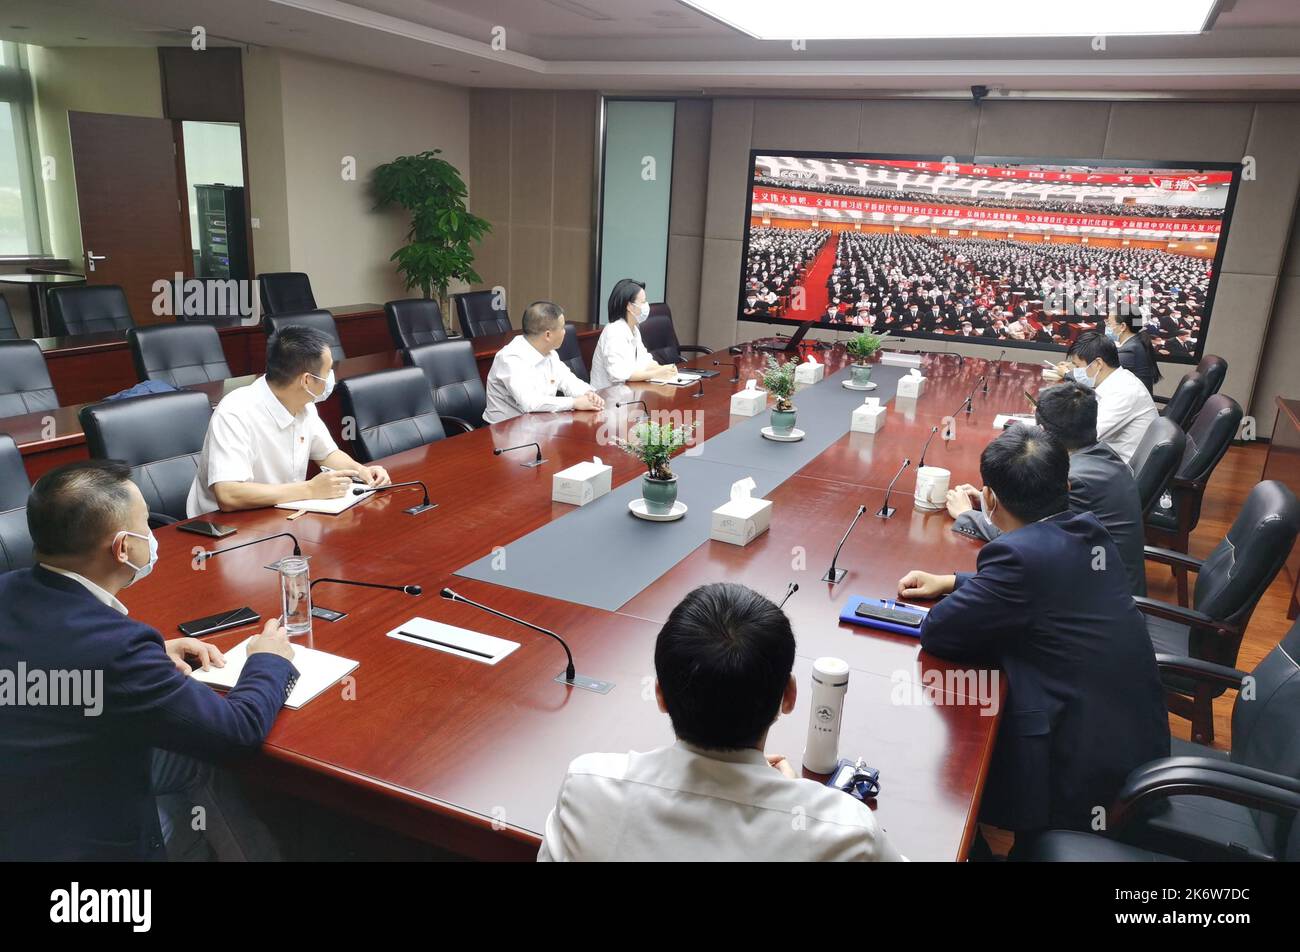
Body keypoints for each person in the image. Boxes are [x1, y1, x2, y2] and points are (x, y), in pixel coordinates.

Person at [0, 461, 299, 860]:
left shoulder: (8, 589)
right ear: (123, 548)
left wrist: (153, 656)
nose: (153, 535)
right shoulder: (118, 649)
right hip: (78, 838)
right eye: (146, 525)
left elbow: (54, 657)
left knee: (189, 756)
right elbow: (237, 734)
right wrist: (267, 661)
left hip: (23, 785)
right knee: (203, 752)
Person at [897, 426, 1169, 854]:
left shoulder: (1019, 557)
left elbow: (940, 632)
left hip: (1083, 771)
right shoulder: (1088, 530)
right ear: (1066, 486)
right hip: (1131, 743)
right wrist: (953, 580)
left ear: (988, 500)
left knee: (940, 778)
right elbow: (1045, 586)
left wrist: (964, 591)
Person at [538, 583, 905, 862]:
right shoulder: (847, 833)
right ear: (789, 697)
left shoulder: (586, 789)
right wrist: (798, 801)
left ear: (661, 695)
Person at [947, 380, 1148, 596]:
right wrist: (993, 502)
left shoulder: (1073, 479)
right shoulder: (1101, 454)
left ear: (1042, 433)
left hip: (1098, 596)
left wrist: (966, 514)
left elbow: (1027, 539)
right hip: (1094, 577)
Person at [187, 325, 391, 517]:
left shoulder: (304, 403)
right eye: (328, 370)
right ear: (306, 380)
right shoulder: (235, 412)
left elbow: (327, 453)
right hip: (222, 525)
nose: (332, 377)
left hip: (278, 513)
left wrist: (362, 471)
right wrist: (310, 489)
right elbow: (228, 494)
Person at [482, 301, 605, 424]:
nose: (564, 332)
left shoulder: (550, 354)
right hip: (502, 431)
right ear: (548, 335)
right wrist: (574, 402)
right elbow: (530, 403)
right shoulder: (510, 358)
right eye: (562, 328)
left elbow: (568, 381)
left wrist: (588, 393)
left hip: (536, 424)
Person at [1055, 330, 1157, 465]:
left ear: (1098, 363)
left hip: (1118, 468)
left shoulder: (1124, 391)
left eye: (1077, 366)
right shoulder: (1117, 380)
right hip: (1105, 456)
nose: (1075, 371)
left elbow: (1082, 438)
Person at [589, 278, 678, 390]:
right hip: (608, 400)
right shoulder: (614, 332)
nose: (647, 305)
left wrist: (665, 369)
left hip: (628, 395)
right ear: (630, 306)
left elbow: (645, 361)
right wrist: (656, 373)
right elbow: (619, 374)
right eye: (643, 302)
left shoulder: (634, 330)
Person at [1105, 311, 1162, 394]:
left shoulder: (1129, 351)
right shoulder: (1138, 341)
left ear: (1122, 326)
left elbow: (1104, 378)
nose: (1108, 327)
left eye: (1109, 323)